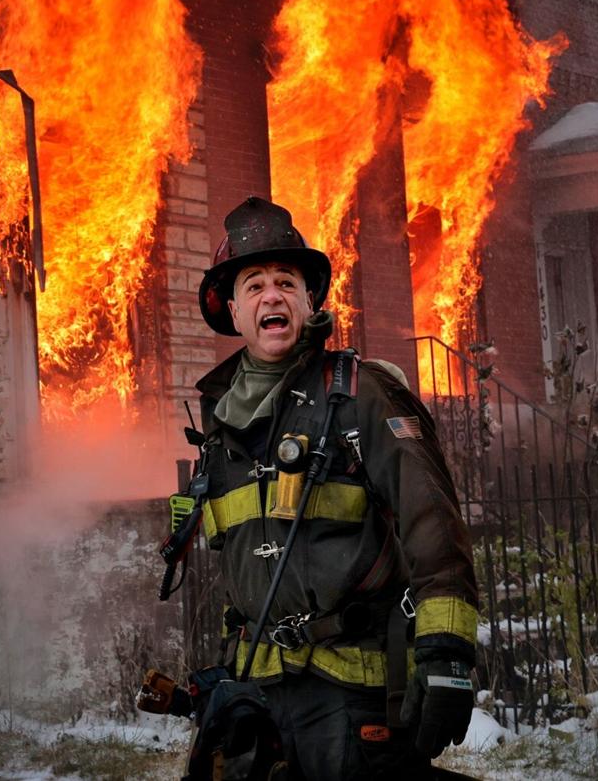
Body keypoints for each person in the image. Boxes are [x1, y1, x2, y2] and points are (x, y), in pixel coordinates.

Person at [194, 195, 478, 779]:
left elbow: (433, 524)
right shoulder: (220, 428)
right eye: (253, 286)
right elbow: (243, 564)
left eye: (285, 282)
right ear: (235, 312)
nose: (271, 295)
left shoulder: (358, 394)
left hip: (354, 695)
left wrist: (447, 652)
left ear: (307, 301)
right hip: (261, 697)